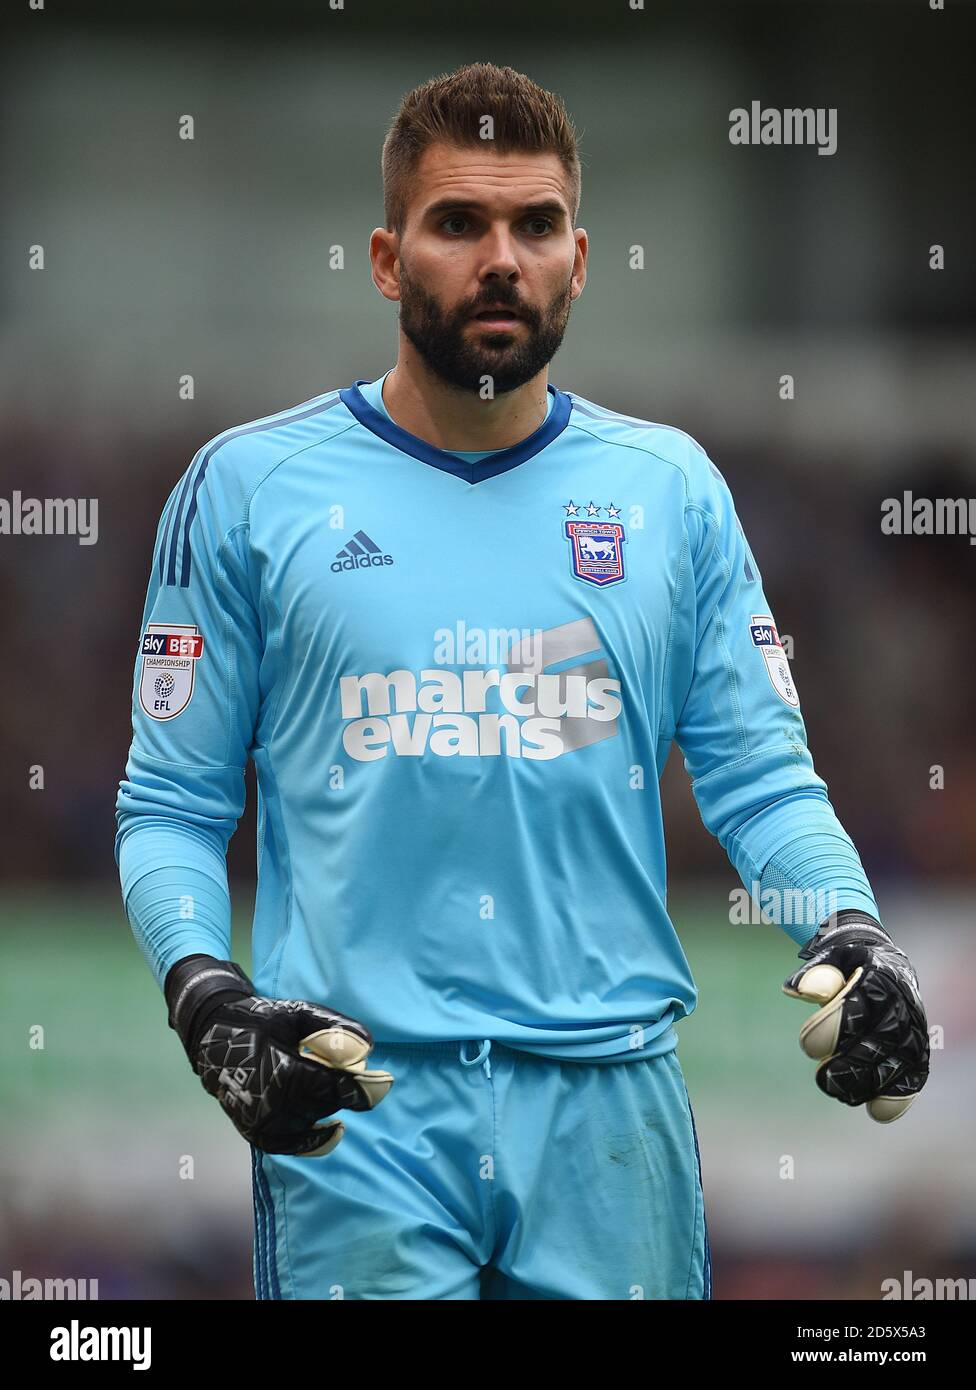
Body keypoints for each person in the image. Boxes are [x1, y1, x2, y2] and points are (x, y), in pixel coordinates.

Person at [115, 62, 929, 1301]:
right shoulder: (244, 491)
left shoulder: (672, 493)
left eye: (534, 225)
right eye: (459, 223)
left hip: (611, 1114)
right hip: (360, 1109)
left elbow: (761, 777)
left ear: (581, 257)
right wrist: (204, 991)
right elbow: (168, 807)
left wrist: (852, 926)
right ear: (388, 260)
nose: (502, 258)